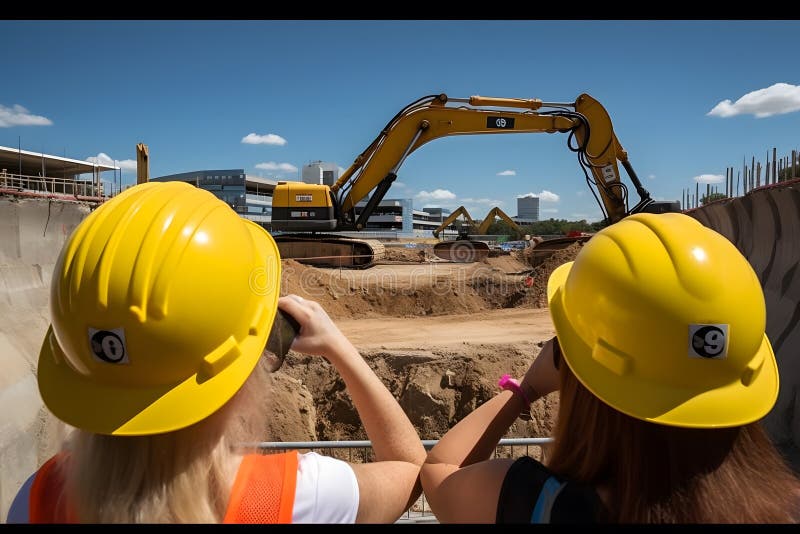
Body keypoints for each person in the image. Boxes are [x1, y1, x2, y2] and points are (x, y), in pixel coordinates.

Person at [7, 181, 426, 524]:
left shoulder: (33, 501)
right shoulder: (305, 495)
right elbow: (414, 473)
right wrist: (339, 347)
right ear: (244, 365)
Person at [421, 212, 800, 523]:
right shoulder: (789, 504)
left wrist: (526, 389)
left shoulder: (534, 502)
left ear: (570, 364)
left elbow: (439, 470)